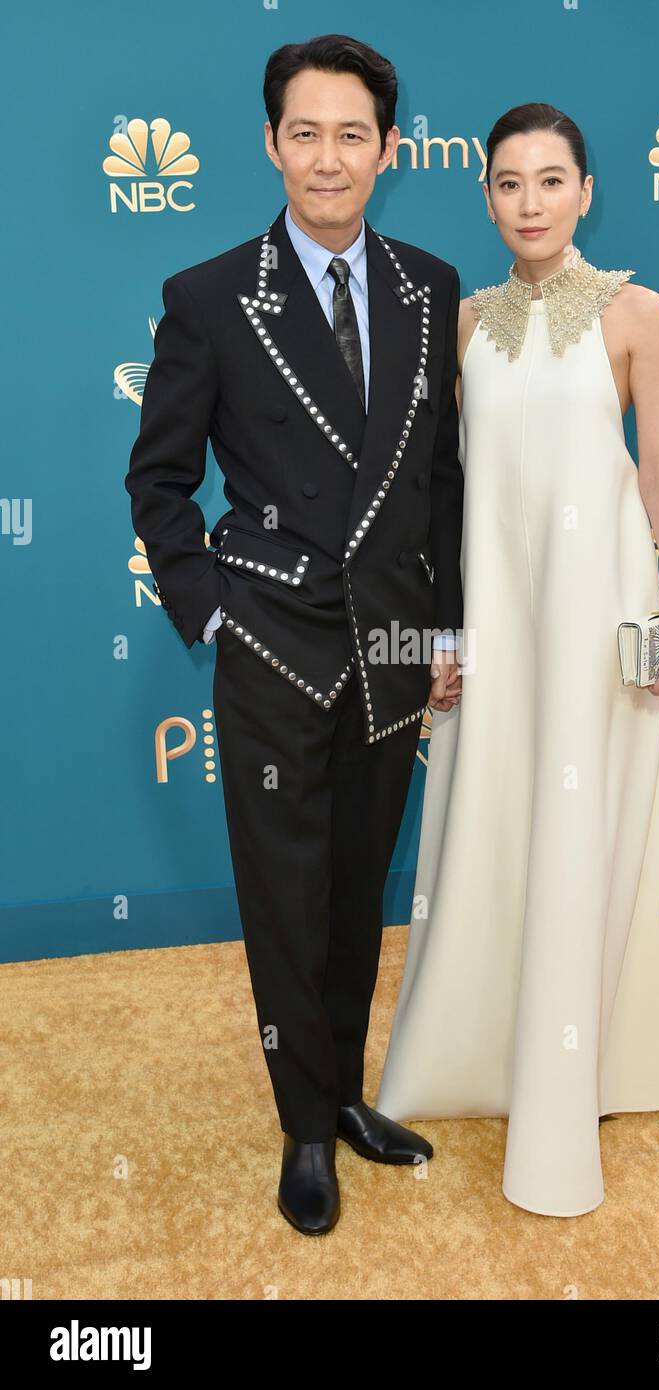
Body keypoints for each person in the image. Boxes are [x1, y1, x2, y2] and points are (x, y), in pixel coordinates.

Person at [124, 33, 463, 1236]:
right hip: (270, 640)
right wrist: (208, 603)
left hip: (388, 643)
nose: (329, 159)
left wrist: (447, 626)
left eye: (353, 135)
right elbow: (158, 482)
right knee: (284, 890)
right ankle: (305, 1128)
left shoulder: (430, 287)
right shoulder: (210, 297)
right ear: (271, 143)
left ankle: (346, 1092)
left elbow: (440, 478)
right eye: (305, 134)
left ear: (389, 147)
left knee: (355, 885)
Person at [377, 103, 659, 1217]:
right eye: (509, 183)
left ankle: (591, 1066)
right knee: (500, 814)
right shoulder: (462, 325)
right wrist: (440, 633)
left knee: (591, 822)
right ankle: (487, 1049)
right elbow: (444, 499)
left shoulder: (636, 313)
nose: (530, 202)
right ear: (484, 196)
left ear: (586, 189)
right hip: (499, 621)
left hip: (599, 612)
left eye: (551, 180)